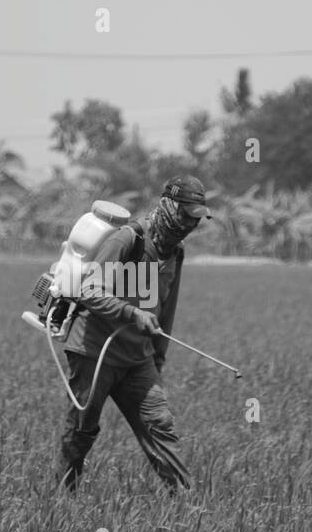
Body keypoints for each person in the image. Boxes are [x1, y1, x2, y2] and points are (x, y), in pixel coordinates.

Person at [56, 175, 211, 494]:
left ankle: (188, 503)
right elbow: (90, 291)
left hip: (138, 360)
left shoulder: (175, 252)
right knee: (82, 431)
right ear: (169, 207)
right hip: (94, 352)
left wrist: (158, 359)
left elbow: (165, 310)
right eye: (185, 216)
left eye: (194, 220)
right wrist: (131, 313)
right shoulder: (128, 239)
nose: (188, 225)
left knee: (160, 425)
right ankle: (62, 498)